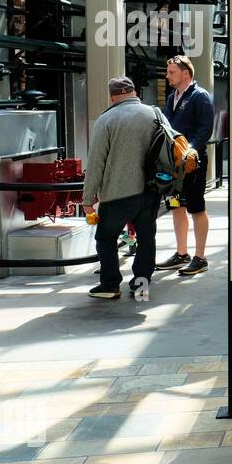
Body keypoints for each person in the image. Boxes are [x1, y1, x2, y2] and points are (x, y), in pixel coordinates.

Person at [81, 76, 166, 299]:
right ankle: (141, 284)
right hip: (151, 190)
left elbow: (96, 163)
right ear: (134, 91)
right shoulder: (155, 114)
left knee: (106, 237)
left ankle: (109, 285)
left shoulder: (107, 119)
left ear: (113, 96)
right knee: (147, 237)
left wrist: (88, 200)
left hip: (118, 193)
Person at [155, 55, 215, 276]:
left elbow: (205, 129)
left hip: (193, 164)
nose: (167, 75)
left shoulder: (201, 97)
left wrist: (190, 150)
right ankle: (182, 254)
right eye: (168, 71)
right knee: (175, 205)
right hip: (172, 166)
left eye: (171, 72)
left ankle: (201, 257)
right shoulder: (172, 96)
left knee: (196, 207)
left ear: (185, 73)